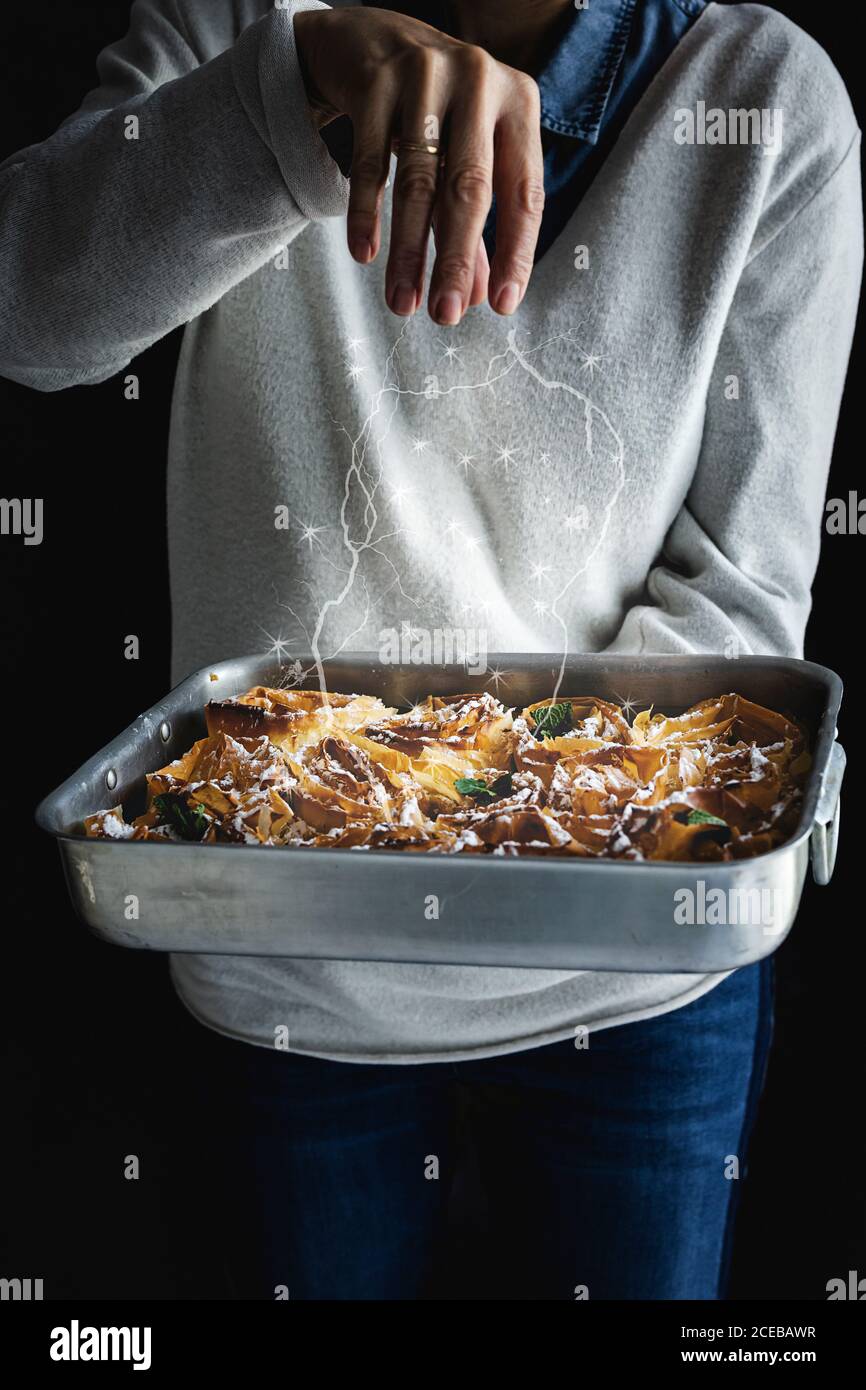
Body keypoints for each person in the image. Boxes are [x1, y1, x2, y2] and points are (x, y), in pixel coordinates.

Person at [0, 0, 860, 1299]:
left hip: (638, 991)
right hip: (290, 990)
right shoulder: (236, 20)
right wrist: (290, 96)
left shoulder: (767, 97)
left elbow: (738, 608)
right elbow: (26, 312)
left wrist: (429, 796)